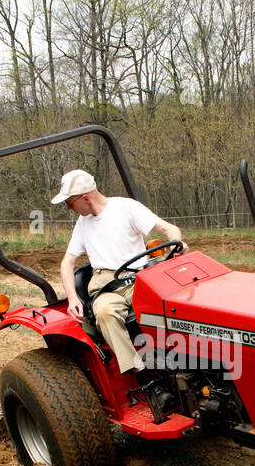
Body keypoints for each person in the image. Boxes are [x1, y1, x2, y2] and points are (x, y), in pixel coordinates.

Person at [54, 168, 185, 420]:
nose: (70, 209)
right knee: (104, 312)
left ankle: (186, 363)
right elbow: (67, 263)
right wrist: (72, 297)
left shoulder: (126, 208)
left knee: (174, 302)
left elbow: (168, 229)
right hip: (105, 283)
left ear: (86, 198)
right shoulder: (82, 225)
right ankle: (148, 381)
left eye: (70, 203)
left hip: (138, 276)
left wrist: (178, 241)